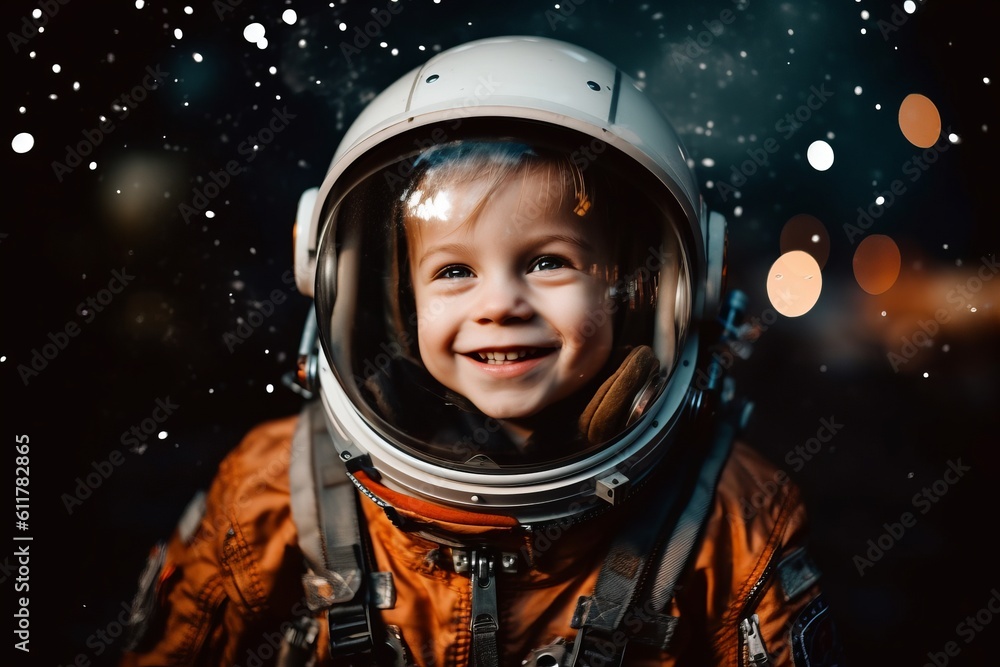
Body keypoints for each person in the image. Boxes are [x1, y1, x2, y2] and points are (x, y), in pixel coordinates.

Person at [119, 35, 845, 666]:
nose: (500, 304)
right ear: (389, 296)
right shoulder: (273, 494)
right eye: (454, 271)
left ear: (646, 285)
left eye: (548, 261)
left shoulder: (731, 521)